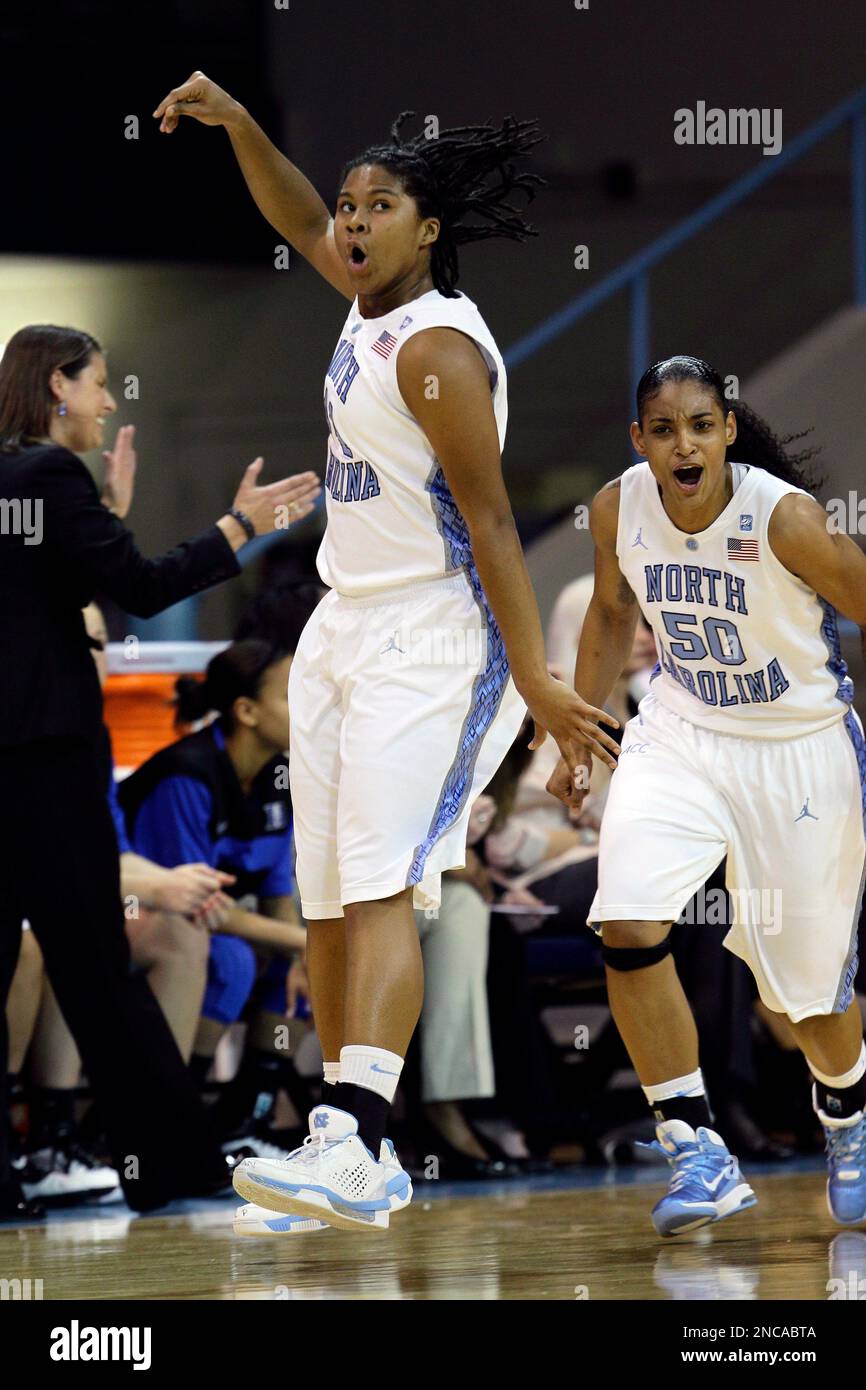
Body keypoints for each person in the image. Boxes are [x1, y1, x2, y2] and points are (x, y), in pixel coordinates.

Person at [152, 70, 620, 1232]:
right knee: (325, 893)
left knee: (379, 892)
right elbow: (294, 215)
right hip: (341, 623)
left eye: (375, 208)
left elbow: (494, 520)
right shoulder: (363, 299)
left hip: (431, 634)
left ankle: (361, 1135)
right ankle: (332, 1130)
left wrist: (533, 676)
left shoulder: (437, 352)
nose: (350, 223)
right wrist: (242, 124)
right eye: (350, 205)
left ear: (429, 230)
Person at [0, 322, 319, 1218]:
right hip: (47, 759)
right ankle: (175, 1164)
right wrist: (240, 526)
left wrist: (106, 513)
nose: (108, 401)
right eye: (99, 383)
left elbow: (47, 592)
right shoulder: (49, 476)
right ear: (57, 386)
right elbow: (137, 587)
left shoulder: (17, 480)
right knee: (96, 965)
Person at [548, 354, 866, 1235]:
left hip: (798, 749)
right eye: (662, 428)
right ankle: (695, 1146)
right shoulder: (620, 507)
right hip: (681, 734)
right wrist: (577, 732)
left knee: (803, 998)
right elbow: (614, 613)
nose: (681, 443)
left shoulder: (784, 519)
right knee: (626, 914)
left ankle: (848, 1114)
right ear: (639, 440)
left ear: (727, 431)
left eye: (699, 424)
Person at [118, 639, 309, 1159]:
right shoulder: (185, 776)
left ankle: (247, 1115)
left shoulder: (279, 776)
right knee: (232, 960)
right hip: (144, 920)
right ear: (246, 711)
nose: (313, 705)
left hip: (221, 925)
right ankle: (174, 1112)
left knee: (313, 969)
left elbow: (275, 893)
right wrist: (302, 942)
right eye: (294, 695)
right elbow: (188, 903)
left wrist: (301, 950)